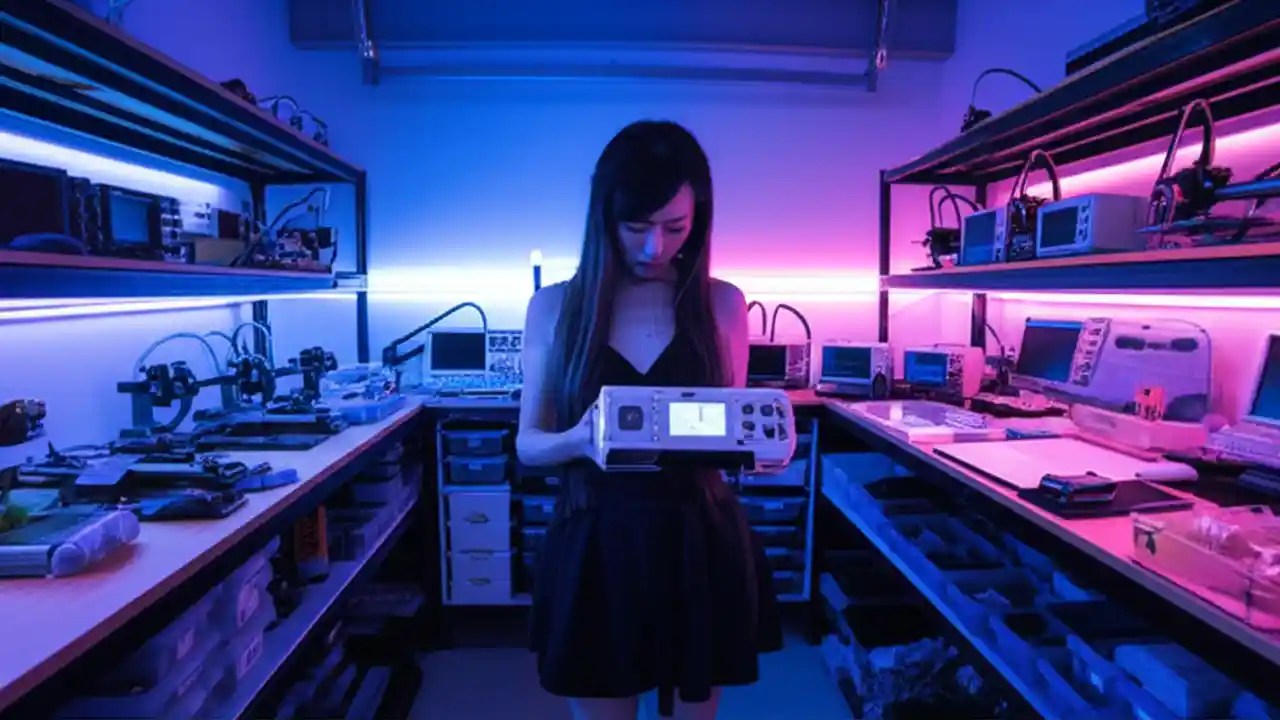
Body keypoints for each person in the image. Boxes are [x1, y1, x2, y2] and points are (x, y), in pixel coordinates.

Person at [516, 120, 783, 720]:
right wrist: (583, 440)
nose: (654, 248)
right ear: (604, 217)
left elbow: (727, 436)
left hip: (698, 542)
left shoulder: (722, 304)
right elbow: (529, 445)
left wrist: (754, 450)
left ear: (699, 221)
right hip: (598, 546)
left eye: (675, 228)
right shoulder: (556, 307)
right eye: (635, 227)